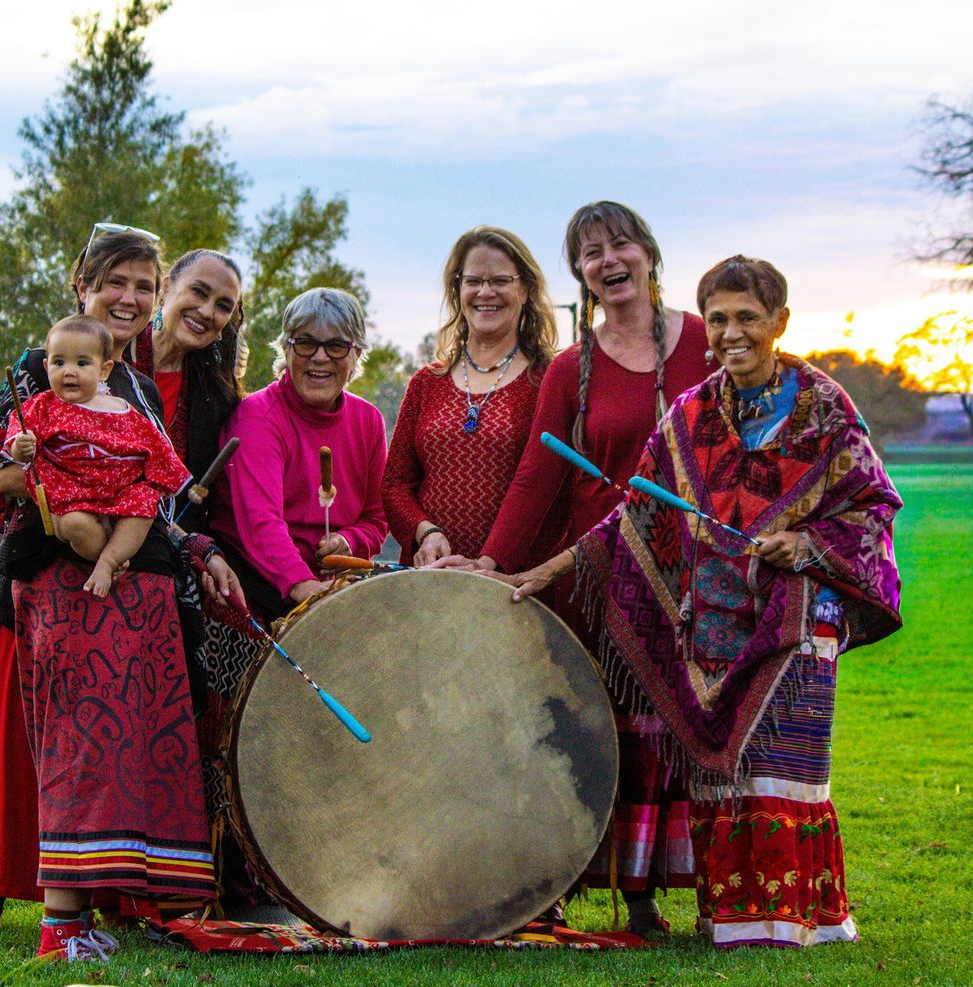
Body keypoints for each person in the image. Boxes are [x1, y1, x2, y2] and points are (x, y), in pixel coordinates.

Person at [507, 255, 903, 948]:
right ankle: (733, 918)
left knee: (788, 771)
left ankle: (803, 919)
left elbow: (871, 505)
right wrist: (554, 569)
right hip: (714, 627)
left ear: (780, 320)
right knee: (725, 777)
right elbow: (636, 514)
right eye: (717, 319)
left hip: (798, 620)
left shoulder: (824, 405)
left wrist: (804, 544)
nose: (731, 333)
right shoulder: (691, 413)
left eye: (748, 317)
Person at [0, 227, 244, 957]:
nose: (130, 297)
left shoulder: (141, 392)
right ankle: (20, 906)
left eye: (144, 285)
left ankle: (99, 908)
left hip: (127, 595)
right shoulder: (37, 368)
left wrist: (198, 548)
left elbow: (162, 497)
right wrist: (68, 502)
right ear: (81, 283)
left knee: (103, 752)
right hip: (46, 589)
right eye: (116, 280)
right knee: (53, 753)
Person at [437, 201, 712, 935]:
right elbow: (536, 478)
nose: (608, 261)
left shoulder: (710, 342)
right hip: (605, 580)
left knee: (703, 730)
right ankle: (636, 896)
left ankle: (720, 885)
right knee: (622, 734)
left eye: (620, 244)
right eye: (591, 253)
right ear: (579, 275)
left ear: (649, 254)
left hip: (698, 579)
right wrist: (492, 561)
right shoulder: (571, 369)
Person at [382, 226, 561, 567]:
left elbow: (553, 496)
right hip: (429, 580)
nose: (485, 292)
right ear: (458, 290)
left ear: (524, 288)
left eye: (500, 280)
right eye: (473, 281)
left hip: (511, 587)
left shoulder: (548, 381)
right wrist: (425, 532)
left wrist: (495, 563)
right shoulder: (426, 383)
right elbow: (395, 486)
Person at [211, 288, 389, 622]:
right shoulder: (257, 418)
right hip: (259, 585)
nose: (320, 358)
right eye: (305, 343)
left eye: (336, 346)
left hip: (332, 585)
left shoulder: (369, 421)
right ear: (286, 349)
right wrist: (301, 584)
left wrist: (349, 541)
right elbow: (260, 522)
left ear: (356, 355)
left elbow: (376, 519)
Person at [5, 314, 192, 598]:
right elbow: (16, 441)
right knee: (73, 525)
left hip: (121, 490)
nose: (69, 371)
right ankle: (105, 558)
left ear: (104, 370)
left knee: (143, 504)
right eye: (59, 362)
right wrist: (22, 447)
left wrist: (172, 481)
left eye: (82, 363)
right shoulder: (42, 407)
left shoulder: (121, 408)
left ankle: (109, 561)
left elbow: (153, 446)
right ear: (46, 367)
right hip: (72, 495)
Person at [126, 248, 244, 531]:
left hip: (167, 553)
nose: (206, 312)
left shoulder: (217, 398)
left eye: (223, 306)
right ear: (165, 288)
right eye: (199, 292)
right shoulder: (108, 358)